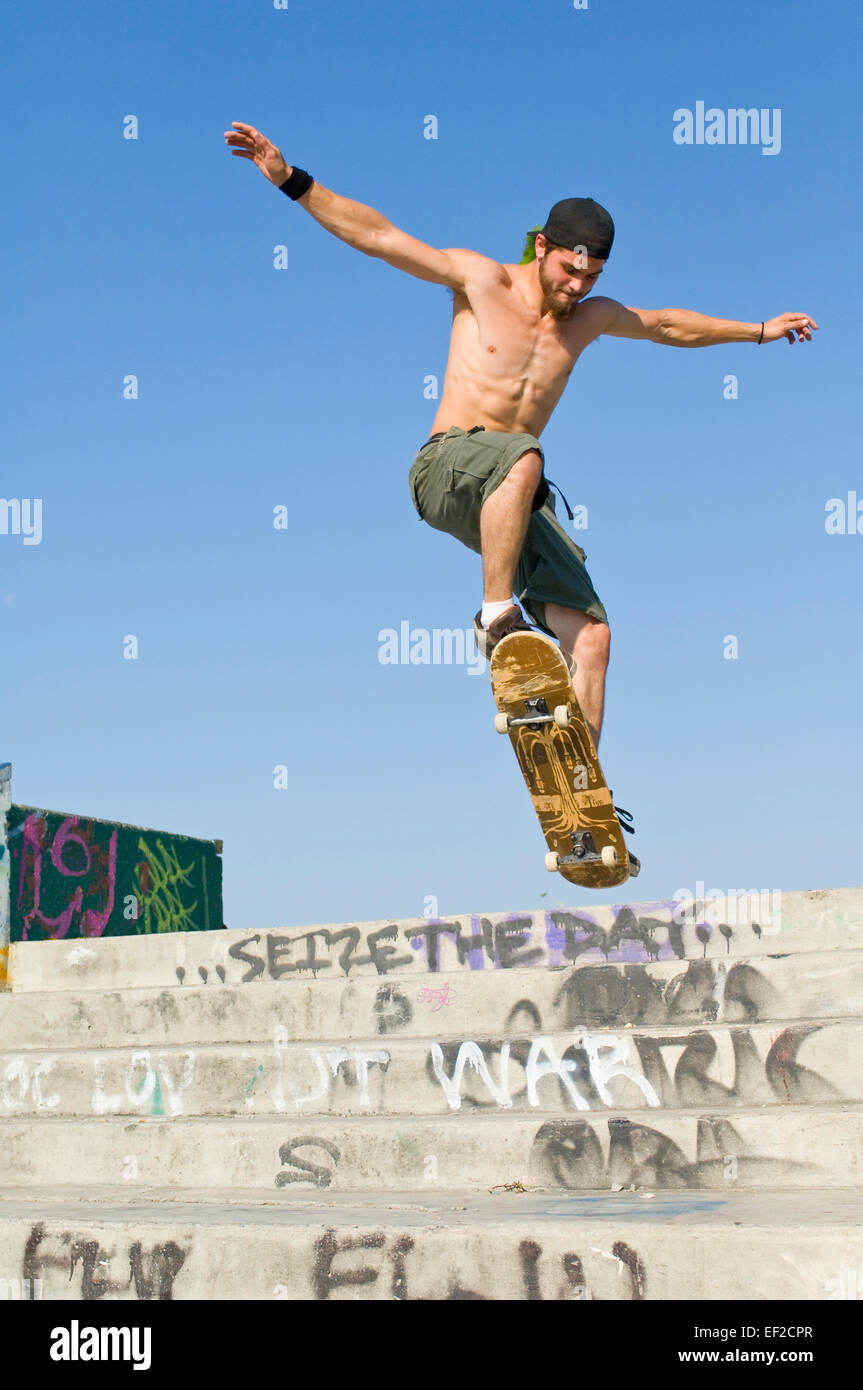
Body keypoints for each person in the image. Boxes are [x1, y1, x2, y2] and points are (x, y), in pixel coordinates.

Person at [224, 121, 817, 752]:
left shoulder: (590, 319)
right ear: (541, 246)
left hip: (511, 491)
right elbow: (379, 237)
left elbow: (668, 325)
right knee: (523, 455)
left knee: (592, 634)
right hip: (445, 470)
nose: (578, 287)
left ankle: (582, 793)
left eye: (590, 277)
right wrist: (292, 180)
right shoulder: (481, 281)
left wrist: (758, 329)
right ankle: (494, 614)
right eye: (568, 271)